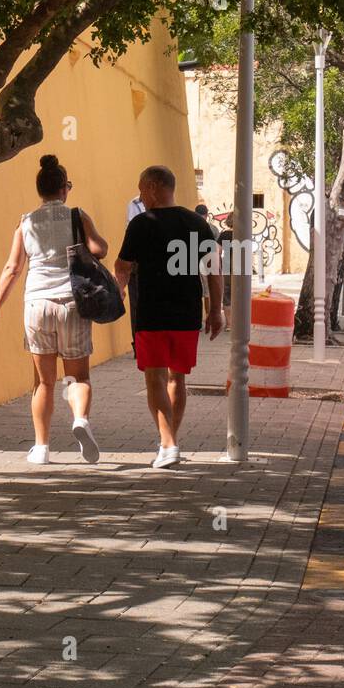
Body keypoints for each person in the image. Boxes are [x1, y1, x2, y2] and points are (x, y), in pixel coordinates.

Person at [0, 154, 109, 465]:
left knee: (43, 382)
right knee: (77, 377)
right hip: (71, 303)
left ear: (40, 190)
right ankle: (79, 419)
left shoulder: (26, 222)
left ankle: (41, 448)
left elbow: (12, 268)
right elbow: (99, 250)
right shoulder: (78, 216)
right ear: (64, 189)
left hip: (37, 304)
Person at [114, 166, 224, 468]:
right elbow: (215, 269)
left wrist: (117, 290)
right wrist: (216, 310)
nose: (140, 196)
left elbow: (122, 265)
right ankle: (170, 442)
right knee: (178, 377)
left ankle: (168, 444)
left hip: (152, 312)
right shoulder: (197, 223)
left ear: (152, 187)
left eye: (141, 189)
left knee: (155, 379)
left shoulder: (141, 223)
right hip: (187, 311)